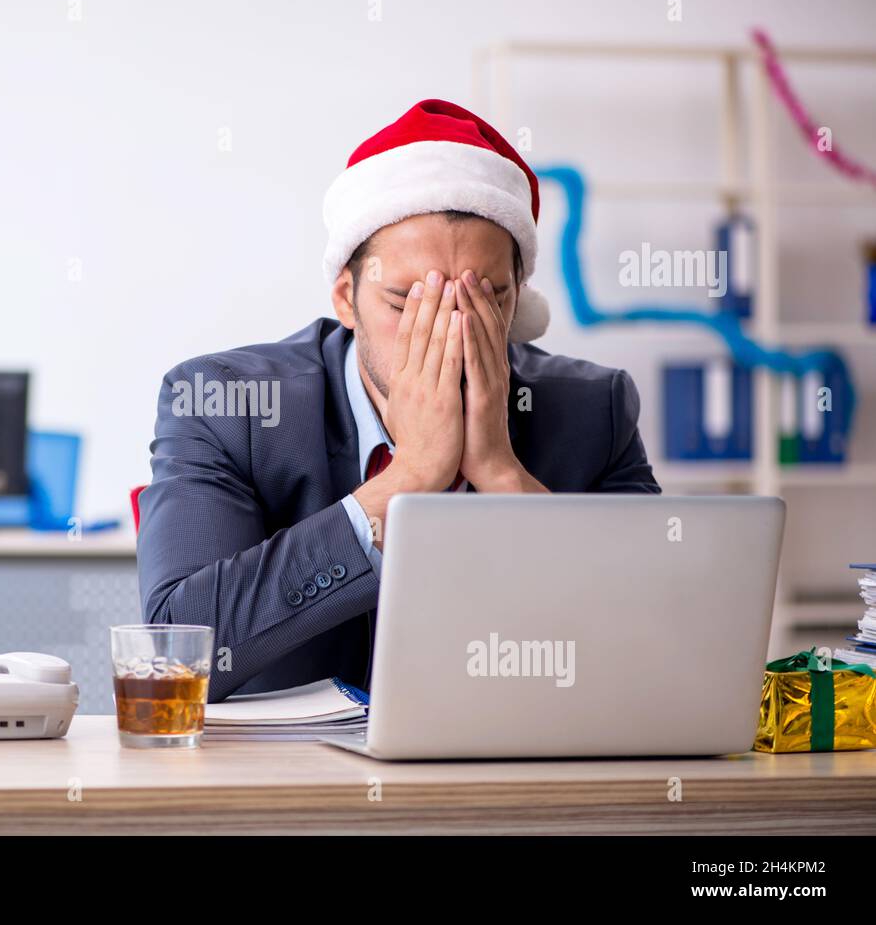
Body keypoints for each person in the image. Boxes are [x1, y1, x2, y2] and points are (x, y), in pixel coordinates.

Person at [137, 99, 660, 702]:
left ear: (519, 297)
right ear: (345, 297)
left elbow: (658, 636)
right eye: (406, 300)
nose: (449, 330)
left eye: (486, 297)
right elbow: (182, 652)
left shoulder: (596, 409)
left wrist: (500, 474)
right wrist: (407, 478)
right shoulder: (226, 403)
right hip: (293, 783)